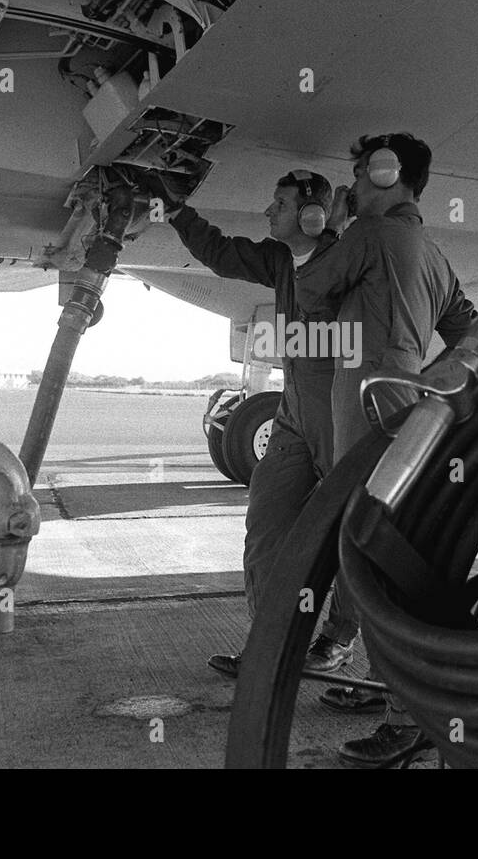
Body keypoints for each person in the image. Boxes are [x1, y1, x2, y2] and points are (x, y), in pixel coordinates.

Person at [294, 132, 478, 766]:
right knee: (392, 552)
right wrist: (426, 387)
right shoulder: (432, 250)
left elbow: (308, 293)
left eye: (355, 176)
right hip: (405, 413)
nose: (348, 186)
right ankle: (388, 689)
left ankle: (408, 718)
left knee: (372, 558)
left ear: (387, 176)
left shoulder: (368, 236)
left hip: (366, 412)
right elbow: (469, 331)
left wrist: (336, 228)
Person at [140, 168, 361, 677]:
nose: (267, 212)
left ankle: (337, 638)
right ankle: (271, 644)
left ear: (311, 215)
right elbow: (220, 252)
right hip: (294, 413)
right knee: (265, 524)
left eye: (278, 204)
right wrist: (176, 210)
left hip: (339, 411)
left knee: (350, 531)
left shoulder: (347, 258)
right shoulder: (281, 260)